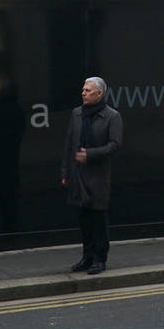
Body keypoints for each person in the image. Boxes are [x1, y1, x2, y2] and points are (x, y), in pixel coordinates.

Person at [61, 76, 123, 274]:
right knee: (84, 219)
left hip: (98, 175)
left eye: (88, 90)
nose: (83, 93)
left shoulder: (112, 117)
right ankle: (86, 257)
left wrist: (91, 154)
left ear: (99, 93)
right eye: (83, 90)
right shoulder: (77, 114)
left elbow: (115, 145)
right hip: (78, 174)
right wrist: (65, 172)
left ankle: (100, 259)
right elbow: (69, 145)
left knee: (98, 219)